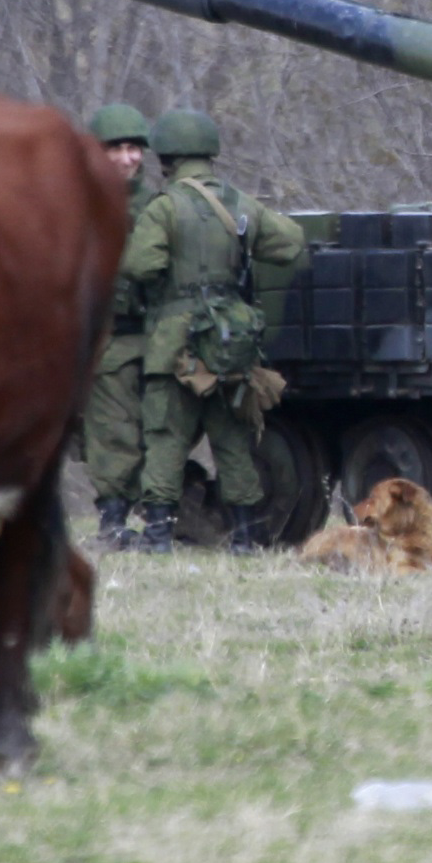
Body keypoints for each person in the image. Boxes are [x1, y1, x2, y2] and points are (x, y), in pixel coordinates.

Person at [118, 108, 303, 549]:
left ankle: (159, 534)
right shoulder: (240, 205)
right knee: (233, 439)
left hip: (176, 345)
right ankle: (245, 535)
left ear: (168, 157)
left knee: (166, 436)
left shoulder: (164, 207)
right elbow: (291, 242)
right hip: (228, 344)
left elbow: (141, 264)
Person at [78, 105, 160, 542]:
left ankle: (159, 519)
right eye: (117, 149)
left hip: (154, 336)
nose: (128, 158)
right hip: (106, 339)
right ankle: (113, 522)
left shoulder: (156, 206)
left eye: (134, 149)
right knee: (110, 435)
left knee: (157, 432)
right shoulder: (79, 205)